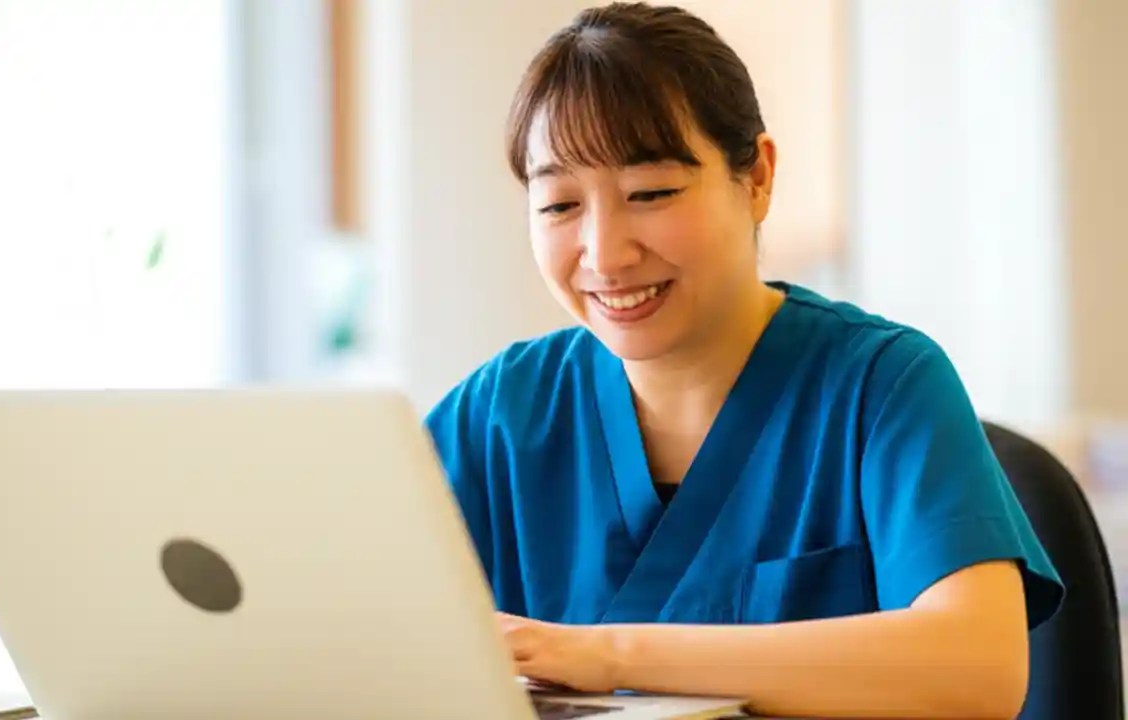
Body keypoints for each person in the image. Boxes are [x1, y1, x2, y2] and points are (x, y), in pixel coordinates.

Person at [422, 3, 1065, 719]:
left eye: (652, 193)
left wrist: (606, 656)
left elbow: (979, 670)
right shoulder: (497, 417)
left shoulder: (882, 386)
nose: (604, 254)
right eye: (559, 206)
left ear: (756, 177)